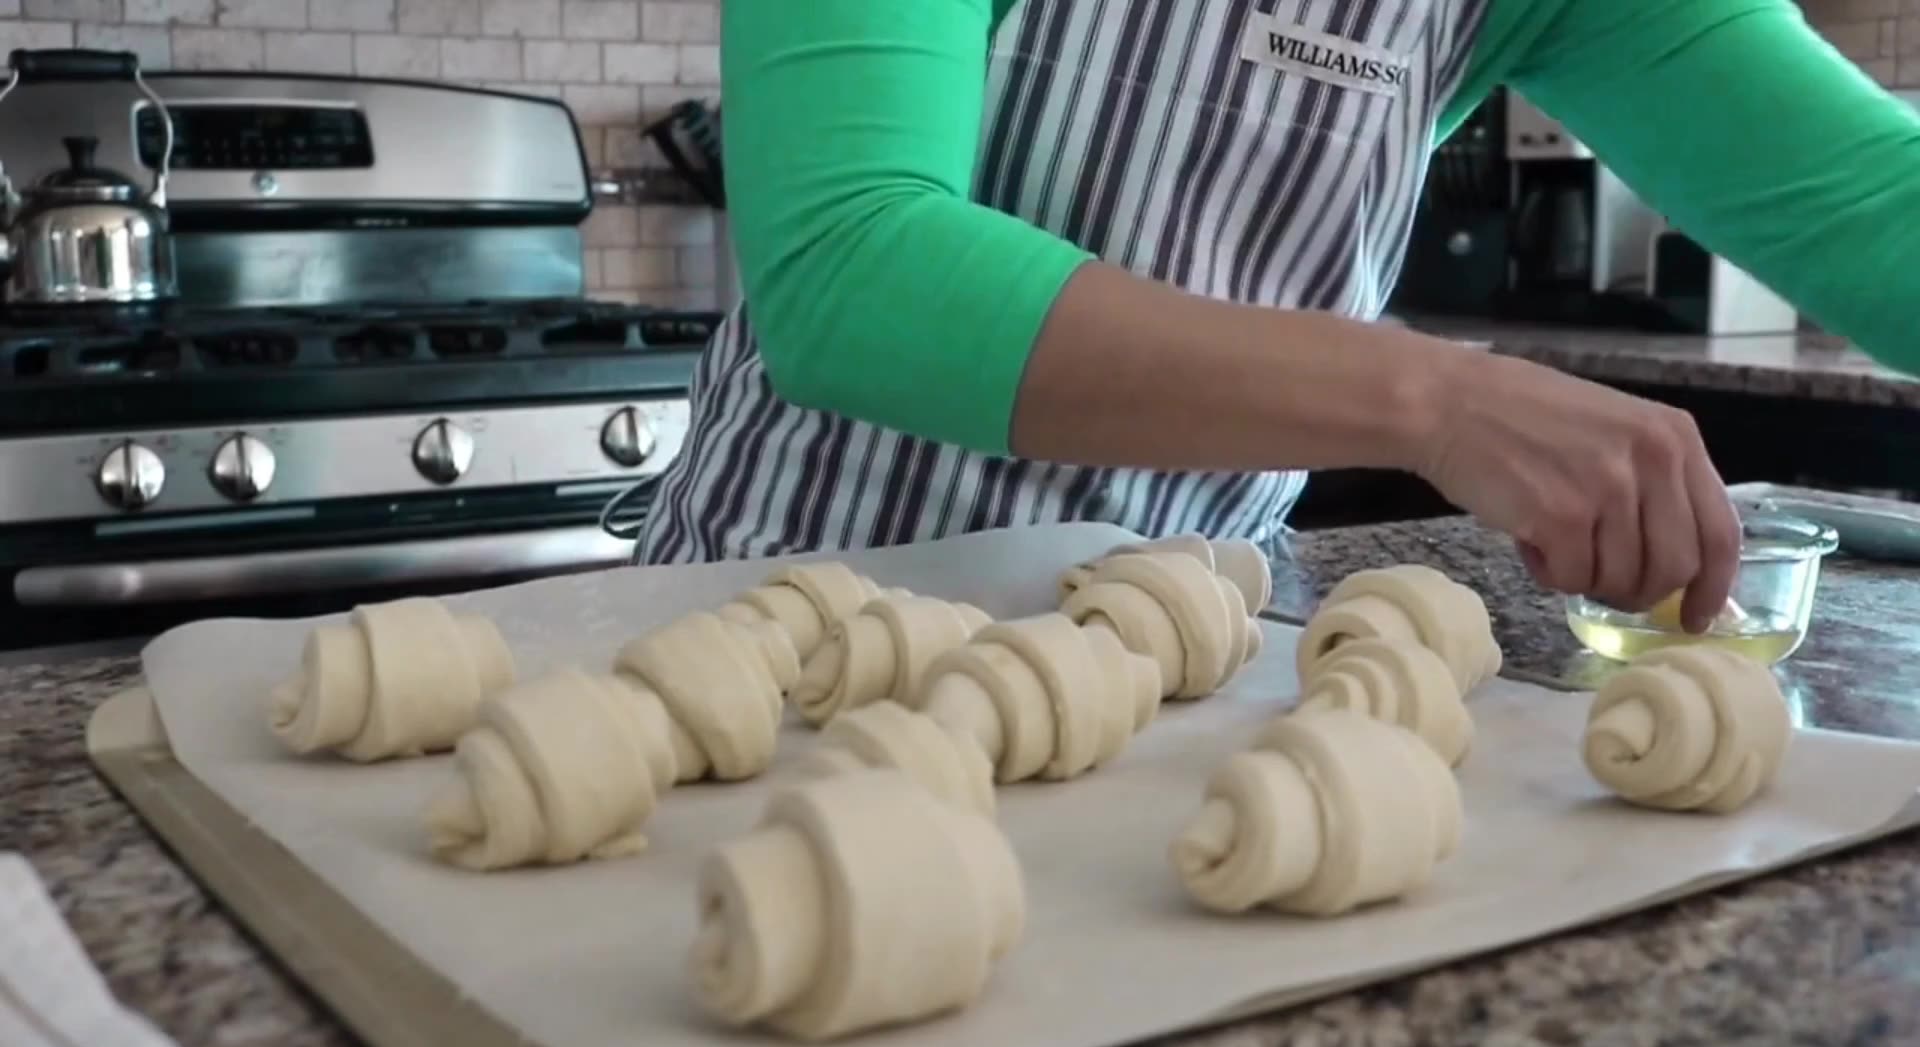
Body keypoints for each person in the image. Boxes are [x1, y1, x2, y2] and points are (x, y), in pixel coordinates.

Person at [633, 0, 1920, 634]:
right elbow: (854, 271)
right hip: (780, 638)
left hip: (1173, 668)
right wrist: (1437, 397)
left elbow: (1880, 209)